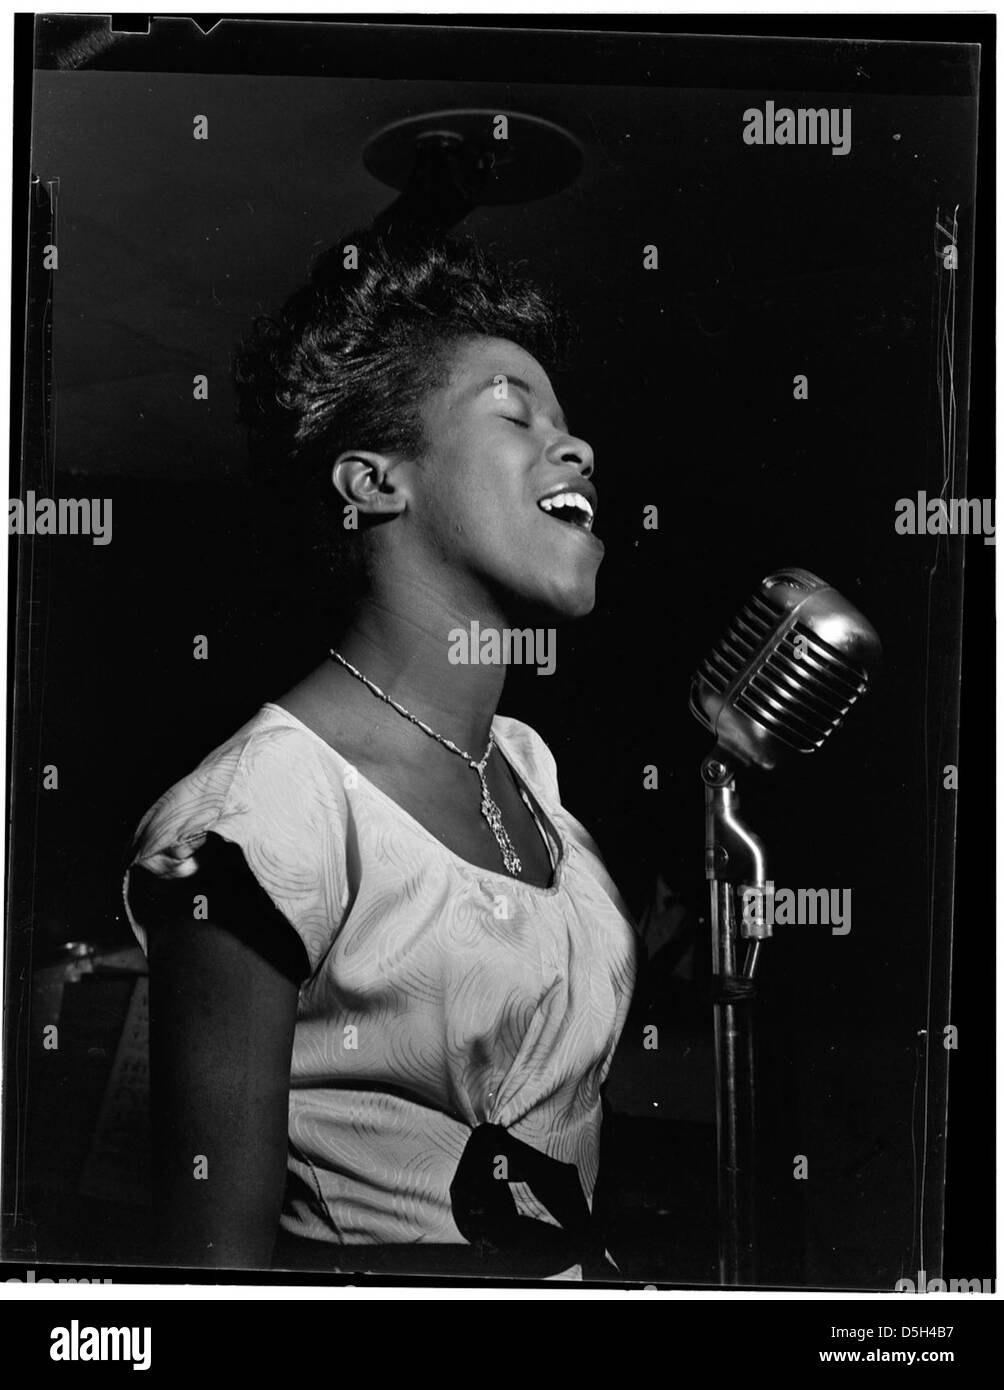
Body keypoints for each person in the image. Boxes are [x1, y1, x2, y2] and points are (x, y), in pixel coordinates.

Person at [123, 231, 639, 1282]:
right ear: (375, 478)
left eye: (568, 421)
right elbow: (212, 1281)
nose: (574, 445)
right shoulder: (261, 815)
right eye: (514, 412)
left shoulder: (528, 773)